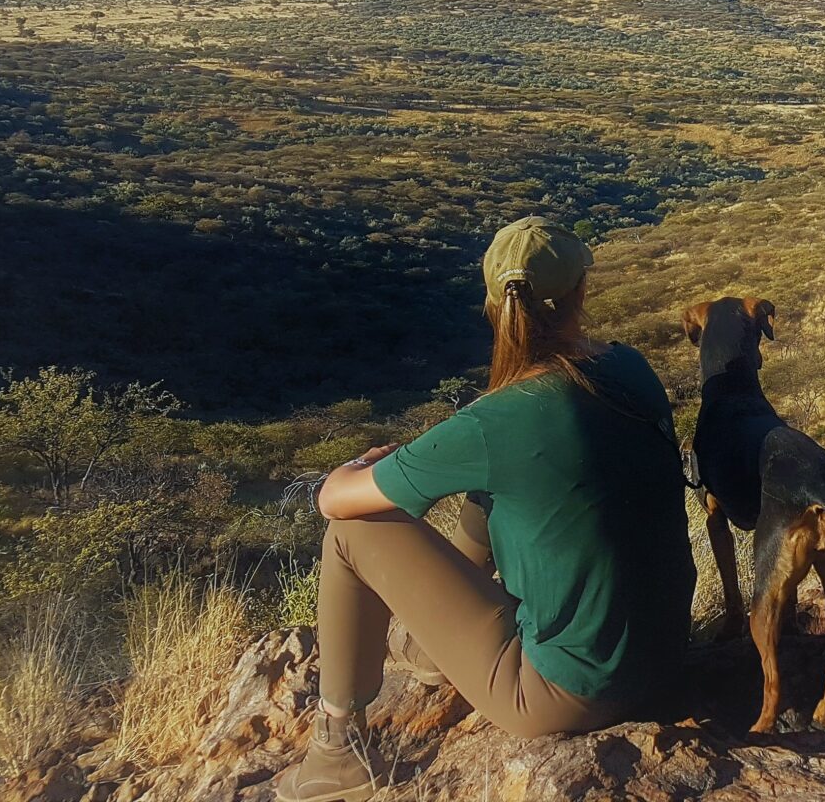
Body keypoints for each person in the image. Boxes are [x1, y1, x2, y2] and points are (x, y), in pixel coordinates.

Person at [275, 217, 696, 802]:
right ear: (580, 293)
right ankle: (434, 649)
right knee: (490, 491)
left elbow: (334, 501)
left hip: (563, 694)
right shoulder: (631, 369)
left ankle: (338, 754)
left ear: (495, 305)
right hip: (667, 658)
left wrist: (360, 466)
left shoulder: (496, 420)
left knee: (352, 532)